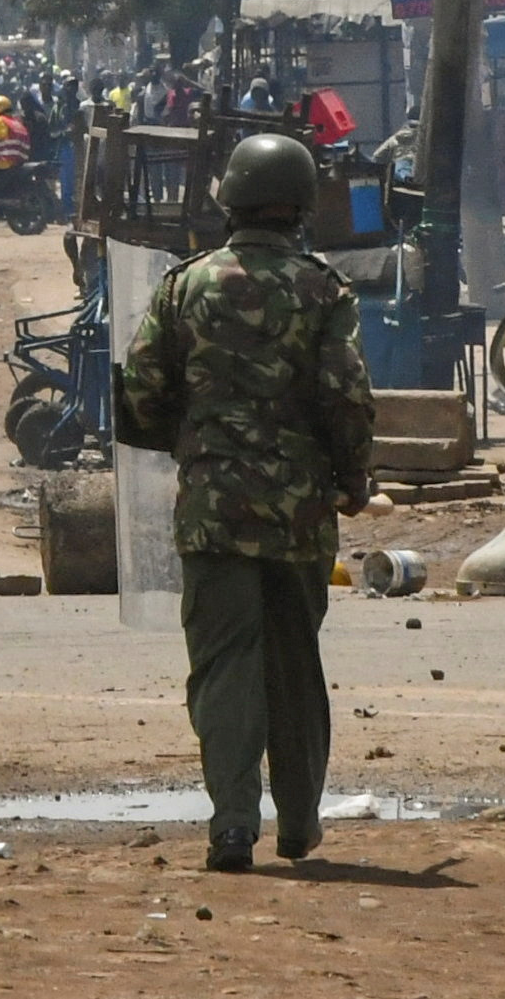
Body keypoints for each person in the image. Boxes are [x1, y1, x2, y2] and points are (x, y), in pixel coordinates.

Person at [113, 131, 372, 874]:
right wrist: (352, 477)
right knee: (294, 666)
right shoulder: (322, 288)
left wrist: (196, 443)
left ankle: (231, 825)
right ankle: (297, 824)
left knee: (224, 667)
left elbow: (138, 393)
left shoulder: (183, 285)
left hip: (212, 512)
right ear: (301, 201)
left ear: (229, 196)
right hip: (297, 517)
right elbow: (345, 397)